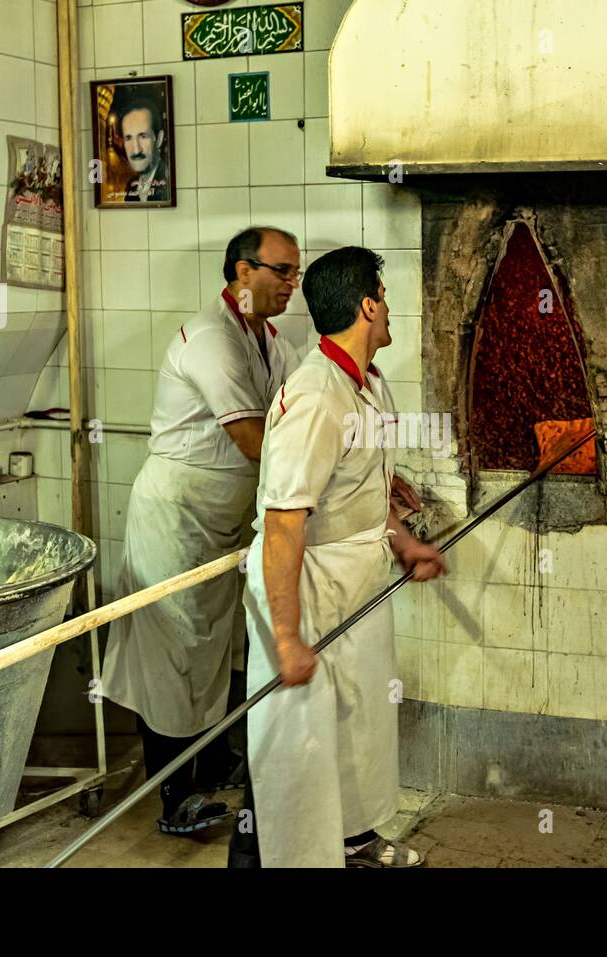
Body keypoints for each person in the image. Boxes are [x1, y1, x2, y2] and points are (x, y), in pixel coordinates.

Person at [233, 246, 447, 867]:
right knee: (298, 746)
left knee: (358, 726)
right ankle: (294, 859)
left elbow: (360, 492)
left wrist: (403, 543)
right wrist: (287, 636)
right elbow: (281, 527)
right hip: (308, 588)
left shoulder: (368, 385)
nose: (391, 307)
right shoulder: (315, 398)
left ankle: (353, 843)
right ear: (368, 305)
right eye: (384, 295)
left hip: (357, 583)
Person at [102, 227, 302, 835]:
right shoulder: (211, 338)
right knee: (171, 654)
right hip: (175, 515)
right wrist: (318, 489)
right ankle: (172, 799)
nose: (293, 283)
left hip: (221, 523)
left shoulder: (269, 343)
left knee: (215, 649)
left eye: (296, 272)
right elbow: (252, 440)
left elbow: (296, 423)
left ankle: (210, 764)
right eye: (283, 271)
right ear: (244, 272)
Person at [115, 91, 169, 203]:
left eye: (143, 136)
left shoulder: (169, 181)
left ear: (158, 139)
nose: (136, 149)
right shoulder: (131, 187)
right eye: (128, 138)